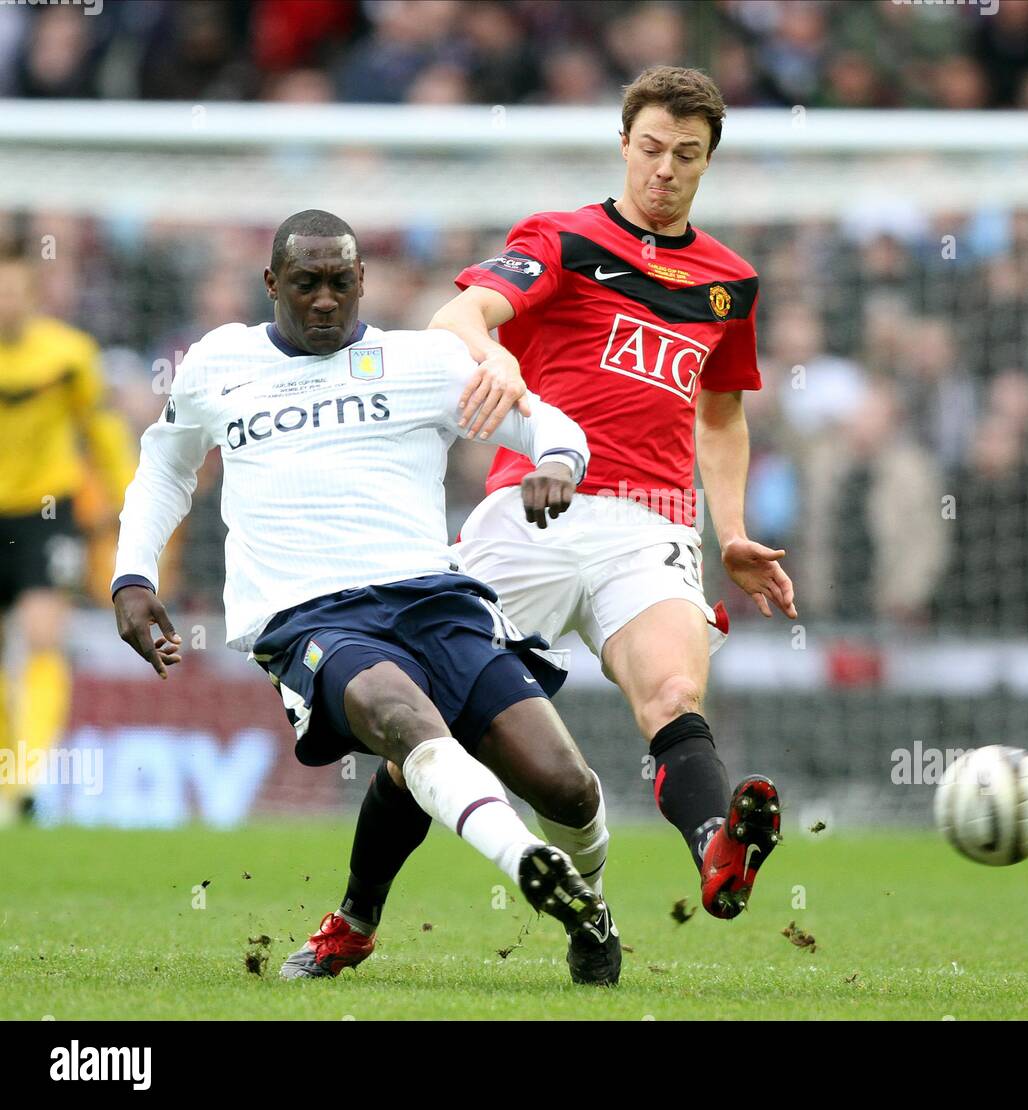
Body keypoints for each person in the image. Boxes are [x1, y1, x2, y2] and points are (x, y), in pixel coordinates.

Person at [111, 210, 618, 984]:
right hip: (310, 614)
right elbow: (166, 469)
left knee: (568, 787)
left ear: (361, 283)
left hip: (436, 600)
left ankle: (586, 907)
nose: (323, 301)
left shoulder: (427, 362)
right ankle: (529, 865)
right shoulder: (220, 363)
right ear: (272, 283)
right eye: (305, 284)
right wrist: (133, 575)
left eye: (339, 284)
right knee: (402, 717)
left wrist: (554, 461)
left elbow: (552, 428)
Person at [431, 65, 795, 922]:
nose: (666, 169)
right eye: (652, 149)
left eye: (688, 156)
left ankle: (717, 851)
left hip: (656, 521)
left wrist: (732, 530)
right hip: (538, 504)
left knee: (673, 697)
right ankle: (358, 916)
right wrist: (499, 356)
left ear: (708, 164)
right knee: (435, 719)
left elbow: (721, 416)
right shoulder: (560, 238)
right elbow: (460, 319)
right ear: (624, 145)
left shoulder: (729, 283)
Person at [0, 246, 135, 826]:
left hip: (44, 515)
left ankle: (27, 778)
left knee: (41, 635)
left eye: (14, 291)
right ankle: (9, 775)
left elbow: (100, 427)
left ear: (33, 295)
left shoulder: (69, 355)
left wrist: (131, 499)